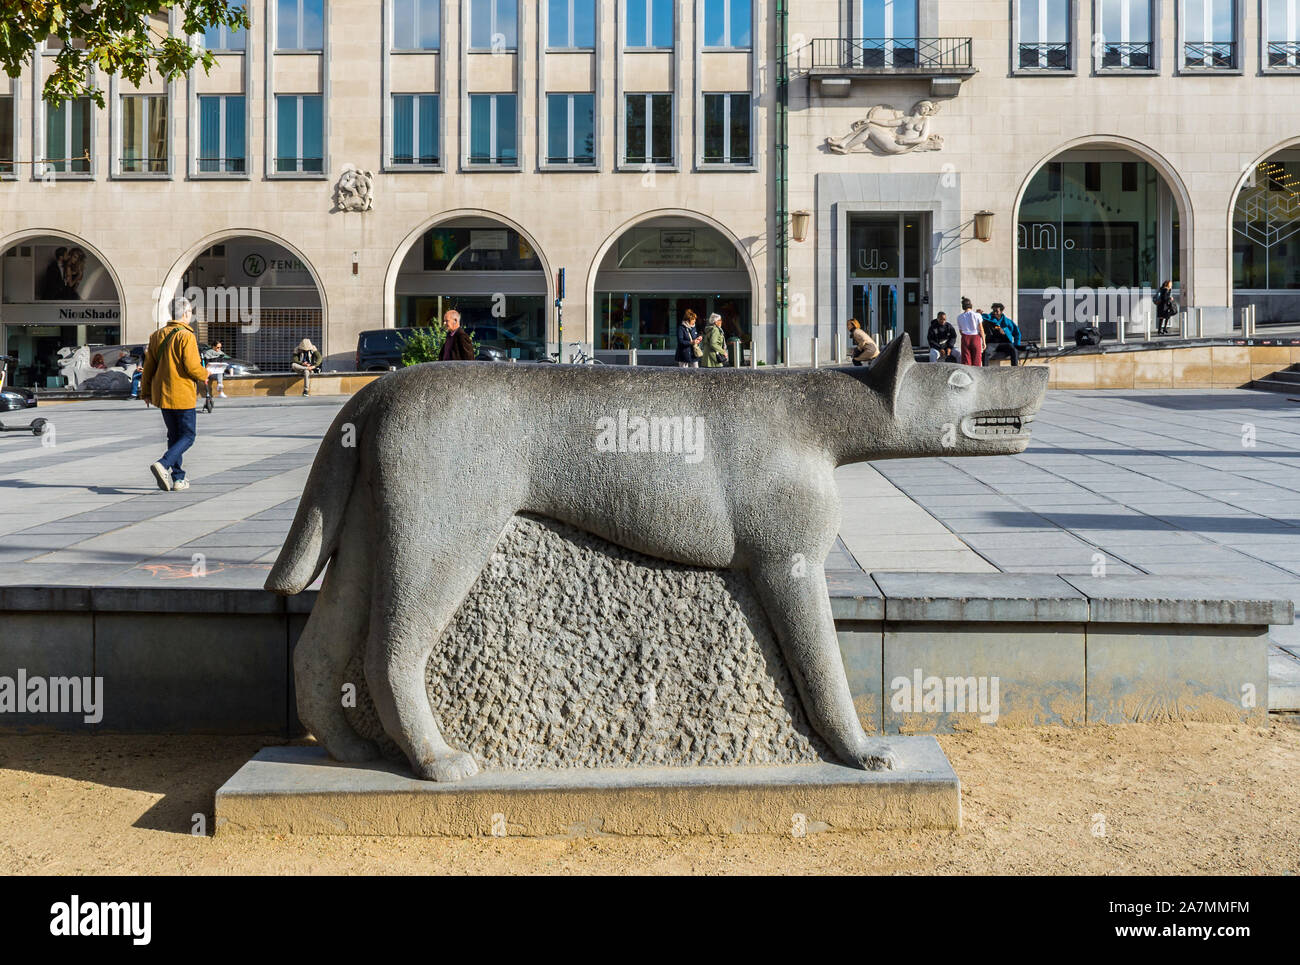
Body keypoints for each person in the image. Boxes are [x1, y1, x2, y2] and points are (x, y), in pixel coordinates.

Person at [140, 296, 210, 492]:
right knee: (188, 435)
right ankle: (163, 464)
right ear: (186, 314)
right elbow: (192, 366)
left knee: (174, 436)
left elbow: (148, 368)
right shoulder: (186, 336)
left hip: (163, 395)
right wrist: (205, 373)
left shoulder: (157, 336)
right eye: (190, 313)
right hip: (182, 394)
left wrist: (145, 392)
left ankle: (178, 478)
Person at [956, 297, 983, 366]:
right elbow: (981, 329)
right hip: (975, 337)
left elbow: (960, 331)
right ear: (971, 305)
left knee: (966, 360)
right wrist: (984, 341)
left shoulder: (959, 317)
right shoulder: (977, 315)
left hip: (965, 337)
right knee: (977, 360)